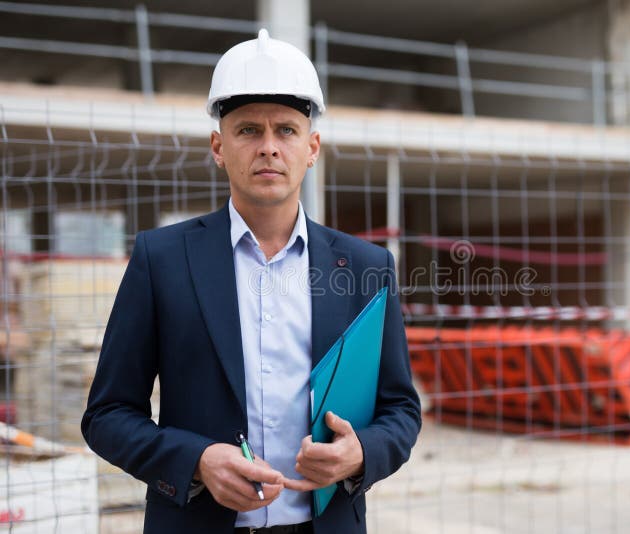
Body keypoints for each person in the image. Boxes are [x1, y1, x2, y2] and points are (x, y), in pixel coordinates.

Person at [82, 29, 421, 534]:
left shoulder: (367, 267)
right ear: (218, 147)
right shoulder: (163, 259)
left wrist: (360, 453)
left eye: (286, 130)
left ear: (312, 147)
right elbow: (107, 414)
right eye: (247, 131)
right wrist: (197, 460)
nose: (268, 148)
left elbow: (400, 410)